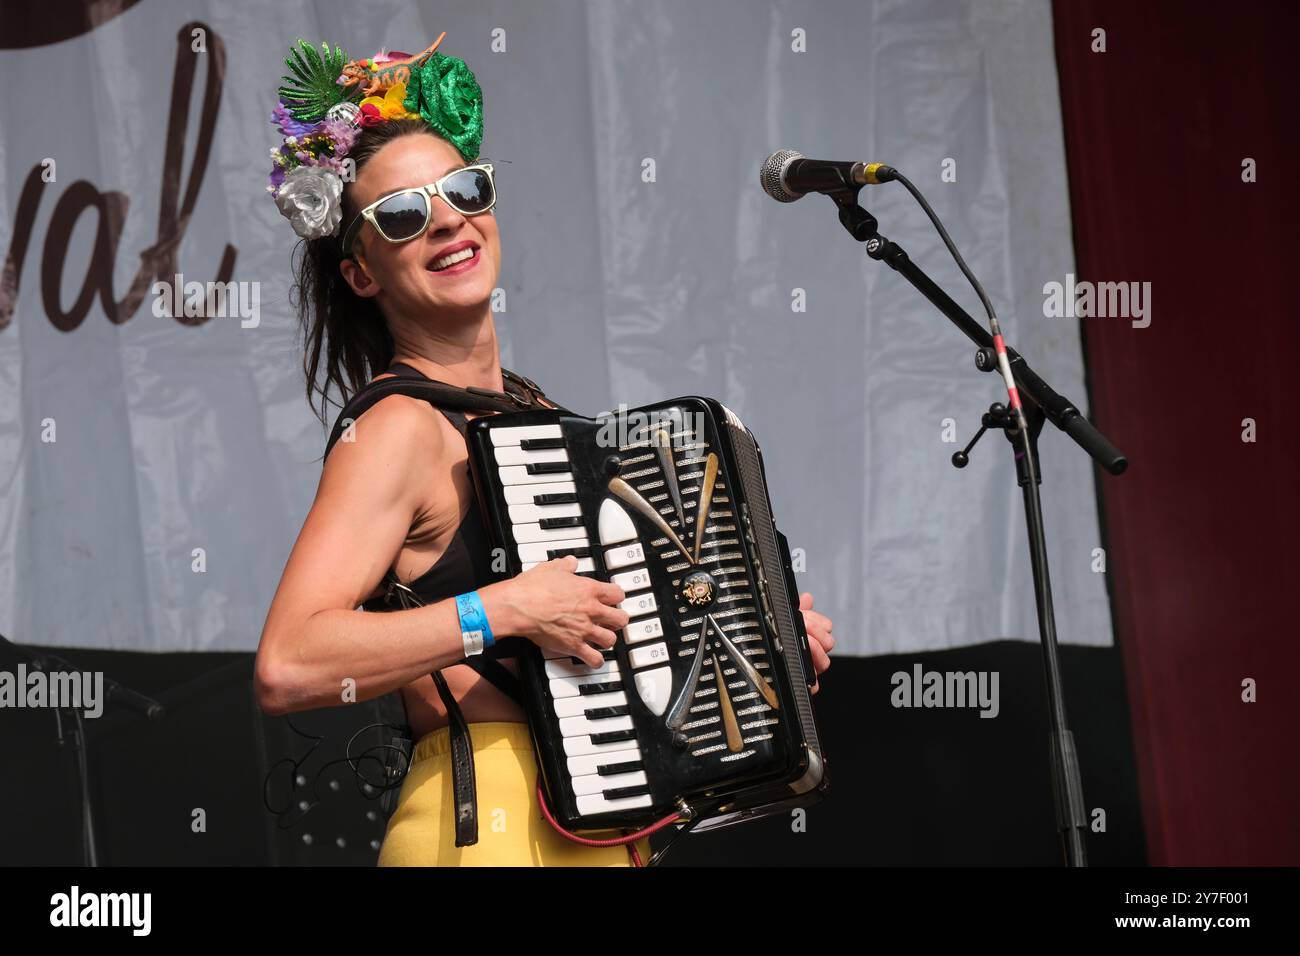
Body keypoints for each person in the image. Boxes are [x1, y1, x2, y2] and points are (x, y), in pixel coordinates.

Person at [253, 36, 835, 866]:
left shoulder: (535, 417)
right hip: (488, 822)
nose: (448, 219)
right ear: (361, 274)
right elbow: (288, 662)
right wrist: (506, 610)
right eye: (404, 214)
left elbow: (625, 638)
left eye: (464, 189)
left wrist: (765, 641)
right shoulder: (394, 430)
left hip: (603, 828)